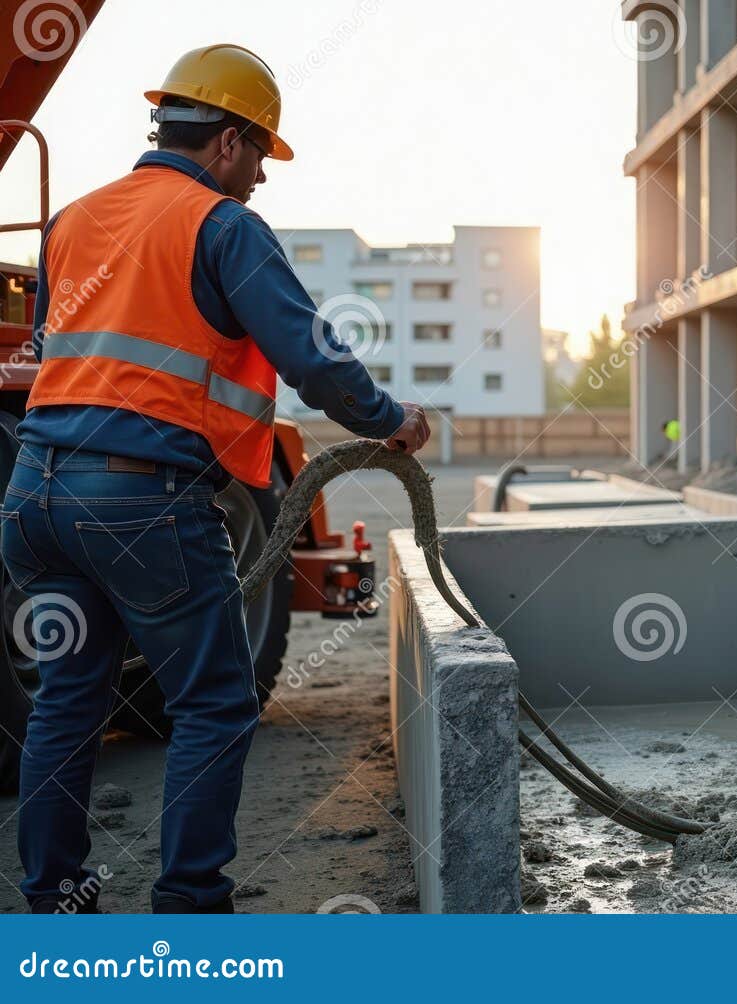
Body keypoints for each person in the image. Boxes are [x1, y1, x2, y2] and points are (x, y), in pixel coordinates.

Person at [1, 44, 429, 914]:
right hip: (141, 502)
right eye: (262, 154)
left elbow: (55, 352)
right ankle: (191, 908)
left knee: (68, 701)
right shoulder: (221, 226)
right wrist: (393, 422)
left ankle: (55, 900)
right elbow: (312, 356)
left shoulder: (73, 219)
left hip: (32, 493)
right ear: (227, 140)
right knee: (214, 702)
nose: (263, 178)